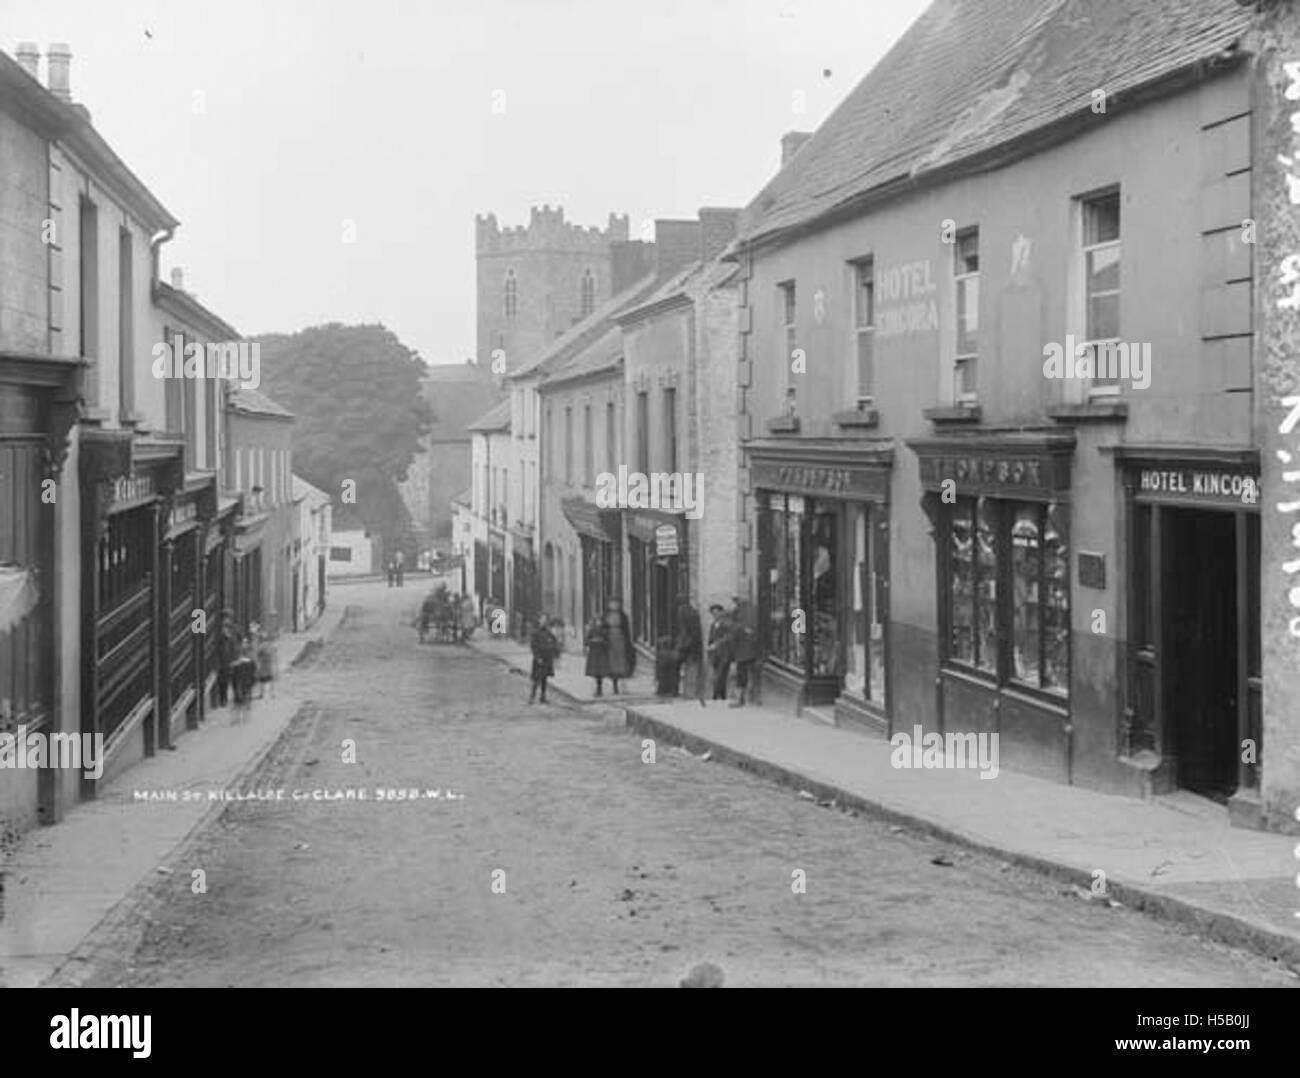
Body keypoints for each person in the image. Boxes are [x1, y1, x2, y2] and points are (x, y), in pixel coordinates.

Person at [674, 600, 705, 705]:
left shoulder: (686, 618)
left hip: (691, 650)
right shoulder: (690, 615)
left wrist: (682, 647)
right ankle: (689, 692)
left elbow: (689, 638)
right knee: (689, 669)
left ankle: (690, 693)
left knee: (691, 669)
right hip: (691, 649)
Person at [729, 597, 757, 708]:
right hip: (751, 649)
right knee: (747, 674)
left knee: (741, 675)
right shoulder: (752, 611)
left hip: (743, 651)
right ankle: (751, 697)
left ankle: (740, 699)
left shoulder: (740, 616)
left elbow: (734, 631)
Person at [603, 595, 634, 694]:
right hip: (610, 641)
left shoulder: (623, 616)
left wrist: (628, 641)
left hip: (620, 640)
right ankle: (614, 684)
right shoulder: (606, 615)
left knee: (622, 662)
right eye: (612, 603)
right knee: (612, 662)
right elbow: (602, 628)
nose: (615, 605)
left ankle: (623, 684)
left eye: (616, 603)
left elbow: (626, 630)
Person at [528, 615, 559, 704]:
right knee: (536, 679)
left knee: (544, 679)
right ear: (539, 621)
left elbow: (554, 642)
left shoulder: (549, 633)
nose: (544, 622)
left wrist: (555, 654)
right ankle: (532, 697)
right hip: (539, 659)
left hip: (547, 659)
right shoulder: (535, 633)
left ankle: (543, 696)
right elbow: (533, 646)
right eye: (542, 620)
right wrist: (538, 657)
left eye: (545, 621)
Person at [215, 608, 241, 707]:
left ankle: (237, 695)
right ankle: (223, 699)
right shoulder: (219, 630)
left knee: (236, 677)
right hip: (224, 658)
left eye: (228, 617)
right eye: (225, 617)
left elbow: (240, 638)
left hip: (234, 656)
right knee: (224, 679)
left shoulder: (235, 628)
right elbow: (218, 643)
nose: (227, 620)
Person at [706, 603, 732, 701]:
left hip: (724, 653)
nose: (715, 615)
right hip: (715, 655)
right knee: (718, 674)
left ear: (721, 613)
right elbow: (710, 639)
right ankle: (722, 695)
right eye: (713, 614)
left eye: (717, 613)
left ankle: (716, 695)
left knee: (720, 674)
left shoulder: (726, 625)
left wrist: (716, 645)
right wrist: (709, 648)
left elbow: (727, 638)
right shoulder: (713, 625)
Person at [230, 634, 257, 723]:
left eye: (246, 643)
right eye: (243, 643)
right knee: (239, 699)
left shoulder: (249, 660)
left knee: (243, 699)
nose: (244, 645)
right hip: (241, 682)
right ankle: (238, 718)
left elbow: (254, 672)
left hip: (245, 682)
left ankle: (242, 718)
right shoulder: (239, 661)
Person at [583, 612, 610, 696]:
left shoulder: (604, 631)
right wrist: (592, 642)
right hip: (594, 653)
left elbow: (608, 642)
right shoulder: (592, 630)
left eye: (600, 621)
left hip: (601, 653)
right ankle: (597, 688)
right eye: (597, 621)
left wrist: (602, 642)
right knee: (595, 672)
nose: (599, 623)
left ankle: (600, 688)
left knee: (600, 672)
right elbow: (586, 641)